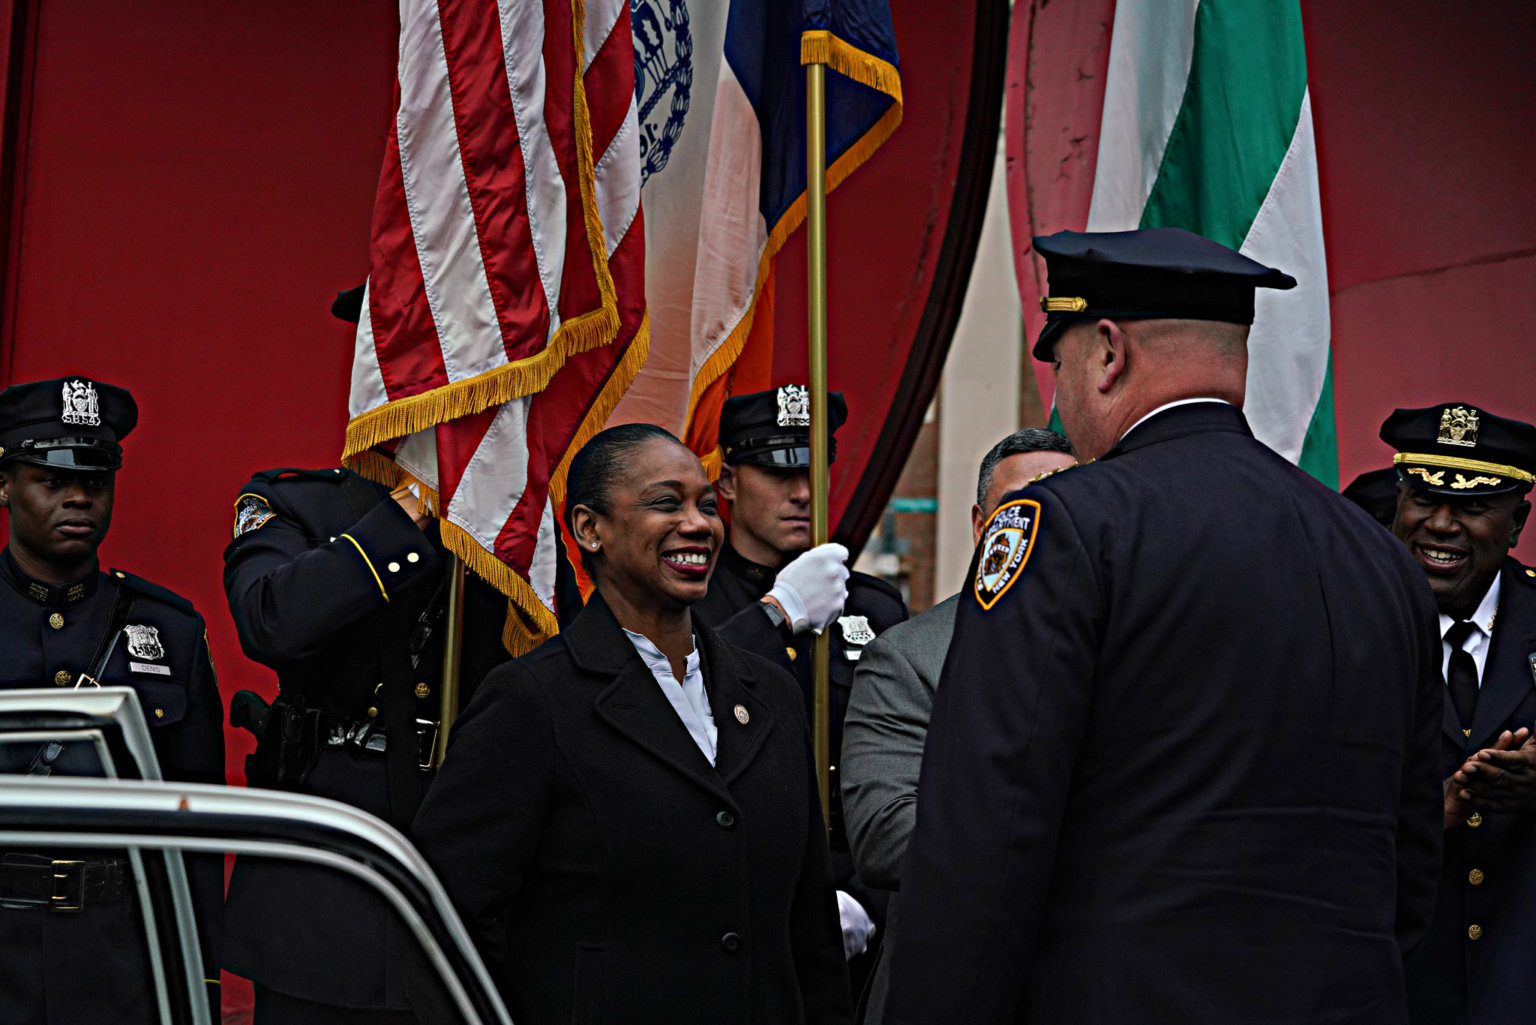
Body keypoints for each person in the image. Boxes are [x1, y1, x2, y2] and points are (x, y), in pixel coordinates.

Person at [885, 228, 1445, 1025]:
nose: (1061, 397)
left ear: (1108, 353)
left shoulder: (1065, 526)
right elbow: (1410, 852)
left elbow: (986, 835)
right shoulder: (1379, 557)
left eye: (1060, 364)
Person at [412, 423, 850, 1025]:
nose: (698, 524)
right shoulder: (533, 699)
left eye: (706, 505)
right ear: (590, 528)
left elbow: (810, 930)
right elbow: (448, 914)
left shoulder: (770, 692)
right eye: (666, 503)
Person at [0, 375, 224, 1023]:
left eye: (95, 481)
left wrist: (197, 980)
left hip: (115, 956)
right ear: (5, 485)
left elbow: (196, 826)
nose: (79, 497)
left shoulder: (171, 630)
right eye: (52, 479)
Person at [841, 427, 1073, 1023]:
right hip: (955, 990)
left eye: (1067, 505)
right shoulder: (911, 656)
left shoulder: (1129, 648)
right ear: (979, 525)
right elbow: (887, 836)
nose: (1044, 526)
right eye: (1023, 508)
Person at [691, 385, 908, 980]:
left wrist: (868, 899)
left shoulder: (875, 607)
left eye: (814, 470)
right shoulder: (691, 604)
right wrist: (777, 615)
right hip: (730, 903)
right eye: (778, 472)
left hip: (855, 913)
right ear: (728, 481)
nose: (804, 493)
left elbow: (912, 765)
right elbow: (676, 708)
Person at [1380, 403, 1536, 1025]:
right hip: (1397, 986)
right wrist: (1425, 812)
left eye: (1473, 506)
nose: (1442, 524)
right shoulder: (1344, 620)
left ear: (1517, 521)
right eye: (1424, 499)